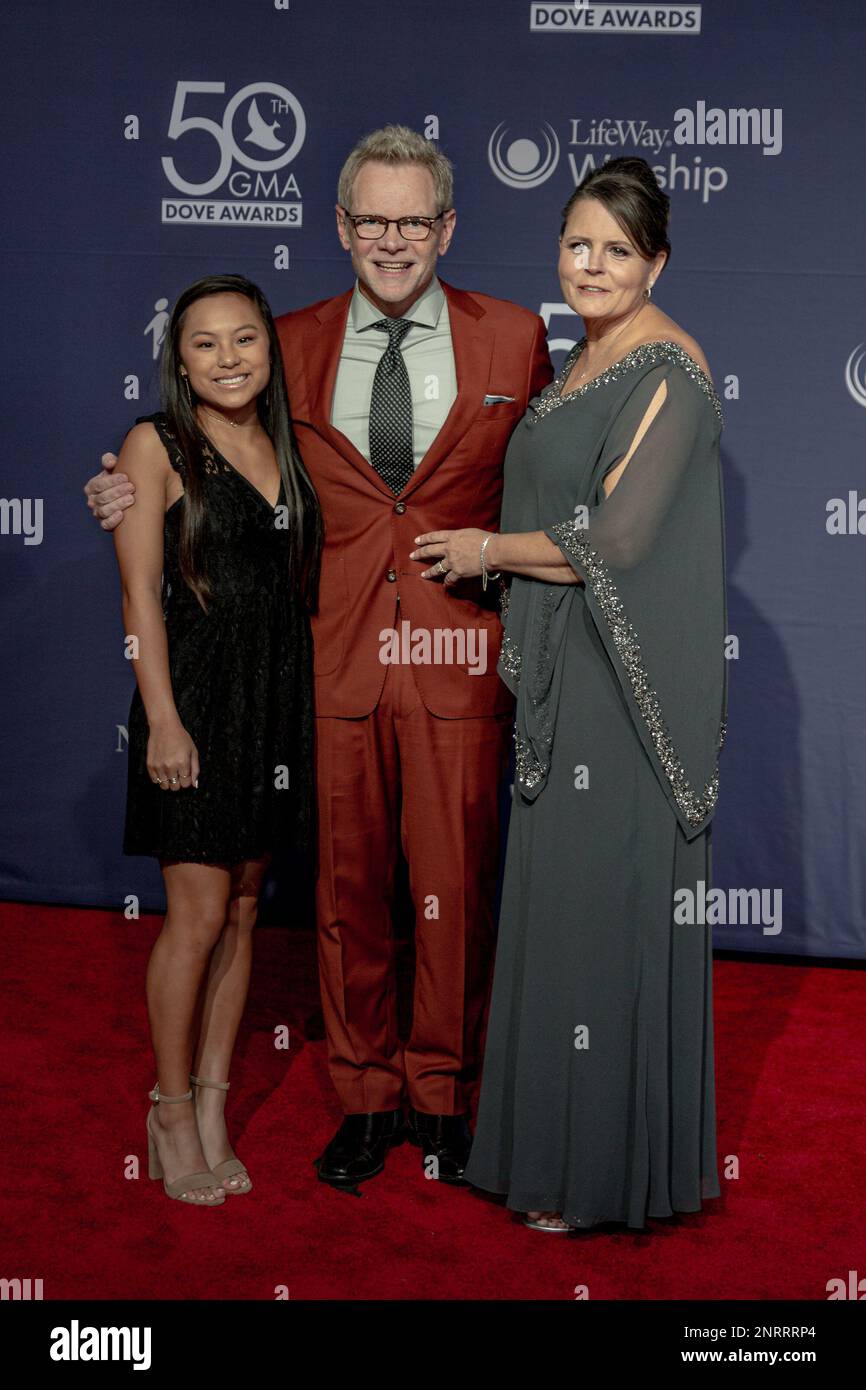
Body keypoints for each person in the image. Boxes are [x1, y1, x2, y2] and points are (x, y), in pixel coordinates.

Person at [85, 126, 553, 1189]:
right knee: (342, 898)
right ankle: (365, 1094)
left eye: (413, 220)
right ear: (341, 227)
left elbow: (553, 480)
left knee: (451, 890)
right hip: (324, 667)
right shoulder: (283, 340)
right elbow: (199, 452)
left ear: (447, 227)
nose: (392, 241)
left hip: (455, 656)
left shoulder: (514, 338)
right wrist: (114, 488)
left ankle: (440, 1093)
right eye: (372, 221)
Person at [410, 157, 727, 1231]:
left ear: (657, 262)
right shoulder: (582, 358)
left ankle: (596, 1180)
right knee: (557, 918)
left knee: (598, 919)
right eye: (577, 245)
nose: (591, 265)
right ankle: (541, 1151)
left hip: (618, 688)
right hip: (561, 675)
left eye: (617, 250)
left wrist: (486, 548)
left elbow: (622, 537)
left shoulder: (668, 372)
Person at [112, 273, 321, 1205]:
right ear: (178, 357)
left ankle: (212, 1106)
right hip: (194, 701)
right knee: (195, 916)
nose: (229, 358)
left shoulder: (289, 442)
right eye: (206, 343)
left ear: (270, 350)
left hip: (274, 704)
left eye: (245, 339)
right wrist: (162, 718)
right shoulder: (153, 446)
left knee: (242, 909)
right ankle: (165, 1110)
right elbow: (139, 599)